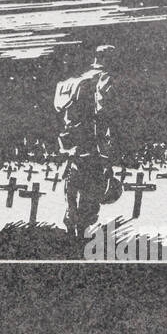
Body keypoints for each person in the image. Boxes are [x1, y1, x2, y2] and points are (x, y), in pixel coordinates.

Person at [54, 45, 121, 239]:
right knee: (90, 194)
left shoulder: (73, 82)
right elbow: (103, 114)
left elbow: (62, 113)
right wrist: (107, 156)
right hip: (92, 147)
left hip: (70, 145)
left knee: (72, 188)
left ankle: (71, 229)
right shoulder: (104, 79)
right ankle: (80, 237)